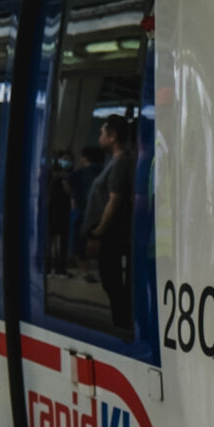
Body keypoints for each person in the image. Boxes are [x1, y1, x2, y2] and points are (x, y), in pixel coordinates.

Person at [82, 116, 135, 331]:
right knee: (111, 283)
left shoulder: (120, 162)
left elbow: (114, 201)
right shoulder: (114, 162)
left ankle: (121, 325)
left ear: (112, 136)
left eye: (102, 133)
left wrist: (98, 233)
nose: (100, 137)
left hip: (109, 237)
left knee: (112, 282)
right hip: (107, 235)